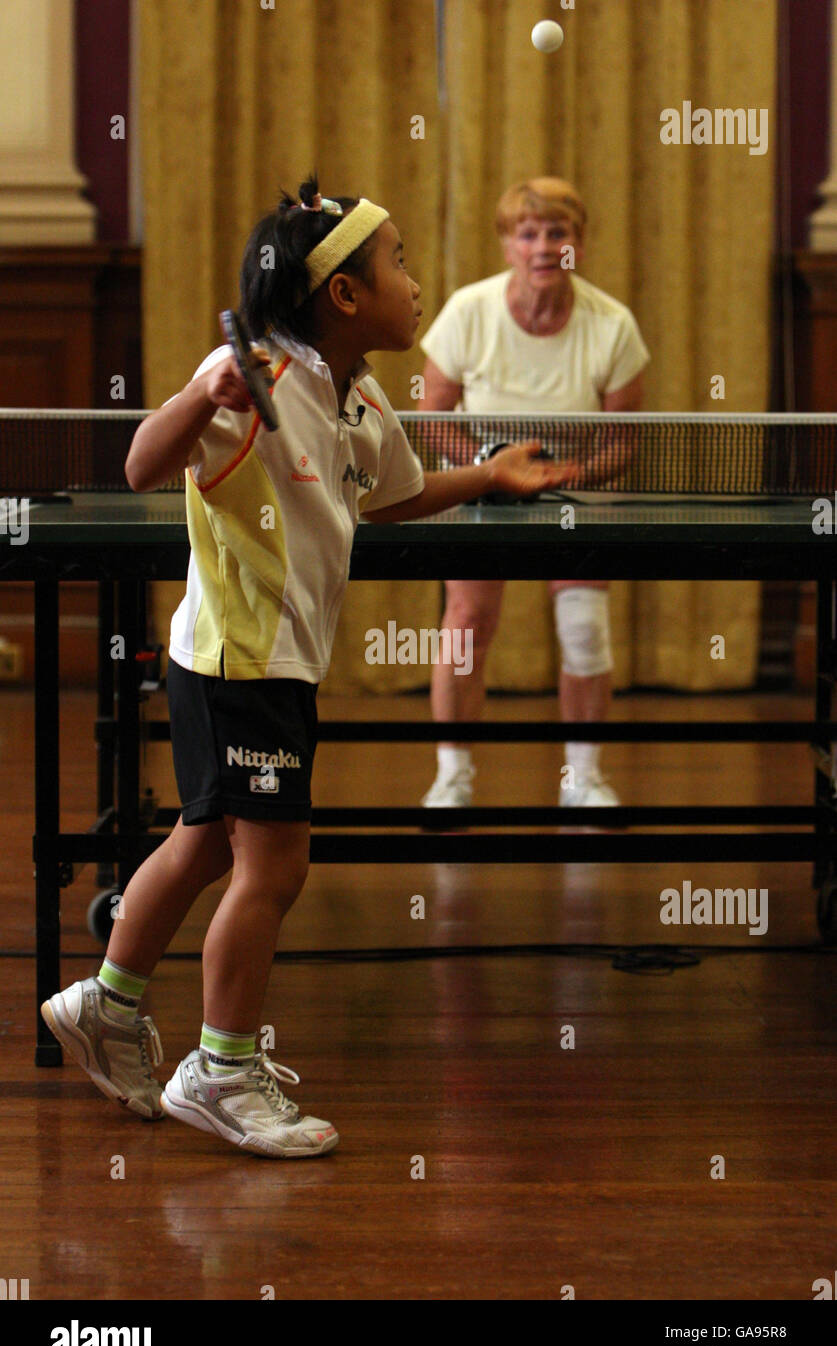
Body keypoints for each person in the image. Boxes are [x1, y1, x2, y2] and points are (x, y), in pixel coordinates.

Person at [40, 177, 569, 1159]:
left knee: (206, 844)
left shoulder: (356, 389)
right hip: (241, 660)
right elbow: (141, 466)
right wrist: (204, 396)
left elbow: (390, 498)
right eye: (399, 263)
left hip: (263, 661)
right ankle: (222, 1068)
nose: (415, 283)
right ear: (345, 297)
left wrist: (491, 476)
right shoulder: (253, 380)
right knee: (274, 865)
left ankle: (105, 1004)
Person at [419, 177, 650, 813]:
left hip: (571, 493)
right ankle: (453, 778)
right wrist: (488, 467)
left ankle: (583, 780)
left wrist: (568, 475)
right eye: (528, 233)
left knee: (583, 625)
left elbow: (625, 444)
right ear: (507, 245)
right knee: (467, 624)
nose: (543, 246)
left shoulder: (613, 326)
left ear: (578, 243)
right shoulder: (468, 311)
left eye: (558, 232)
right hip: (481, 489)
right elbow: (430, 416)